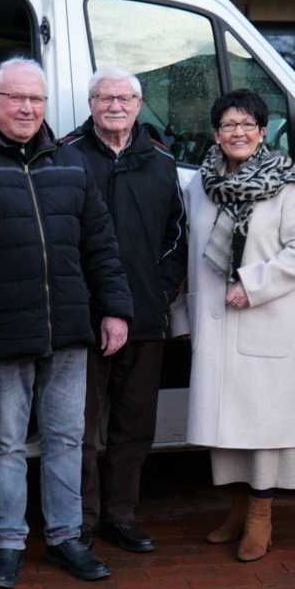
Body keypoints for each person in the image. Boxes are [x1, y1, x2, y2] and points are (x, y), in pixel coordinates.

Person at [0, 57, 133, 589]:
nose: (27, 108)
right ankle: (8, 543)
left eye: (36, 100)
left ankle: (65, 539)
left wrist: (115, 308)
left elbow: (101, 245)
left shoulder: (68, 163)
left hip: (68, 330)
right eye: (16, 98)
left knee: (66, 439)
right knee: (7, 443)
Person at [176, 88, 295, 563]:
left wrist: (252, 284)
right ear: (216, 134)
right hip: (216, 324)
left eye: (247, 124)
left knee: (263, 430)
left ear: (263, 131)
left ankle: (262, 517)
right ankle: (237, 510)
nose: (237, 132)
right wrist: (183, 315)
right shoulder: (199, 184)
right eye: (227, 125)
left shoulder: (287, 185)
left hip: (263, 319)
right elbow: (186, 252)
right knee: (226, 428)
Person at [58, 67, 186, 554]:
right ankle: (81, 519)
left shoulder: (160, 161)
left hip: (145, 319)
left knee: (134, 426)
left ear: (138, 104)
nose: (114, 105)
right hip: (84, 321)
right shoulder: (66, 157)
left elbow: (177, 235)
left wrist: (153, 292)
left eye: (124, 97)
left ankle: (121, 514)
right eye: (104, 97)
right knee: (80, 427)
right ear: (90, 103)